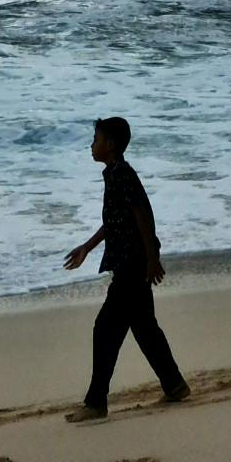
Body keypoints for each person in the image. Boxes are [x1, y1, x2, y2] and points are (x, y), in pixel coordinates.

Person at [58, 113, 188, 416]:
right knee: (145, 329)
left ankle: (95, 402)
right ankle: (174, 385)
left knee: (105, 330)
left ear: (111, 145)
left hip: (132, 265)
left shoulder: (121, 175)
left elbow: (141, 214)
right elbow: (115, 222)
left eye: (96, 140)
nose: (92, 146)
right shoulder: (116, 173)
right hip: (133, 262)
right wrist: (87, 248)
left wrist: (152, 258)